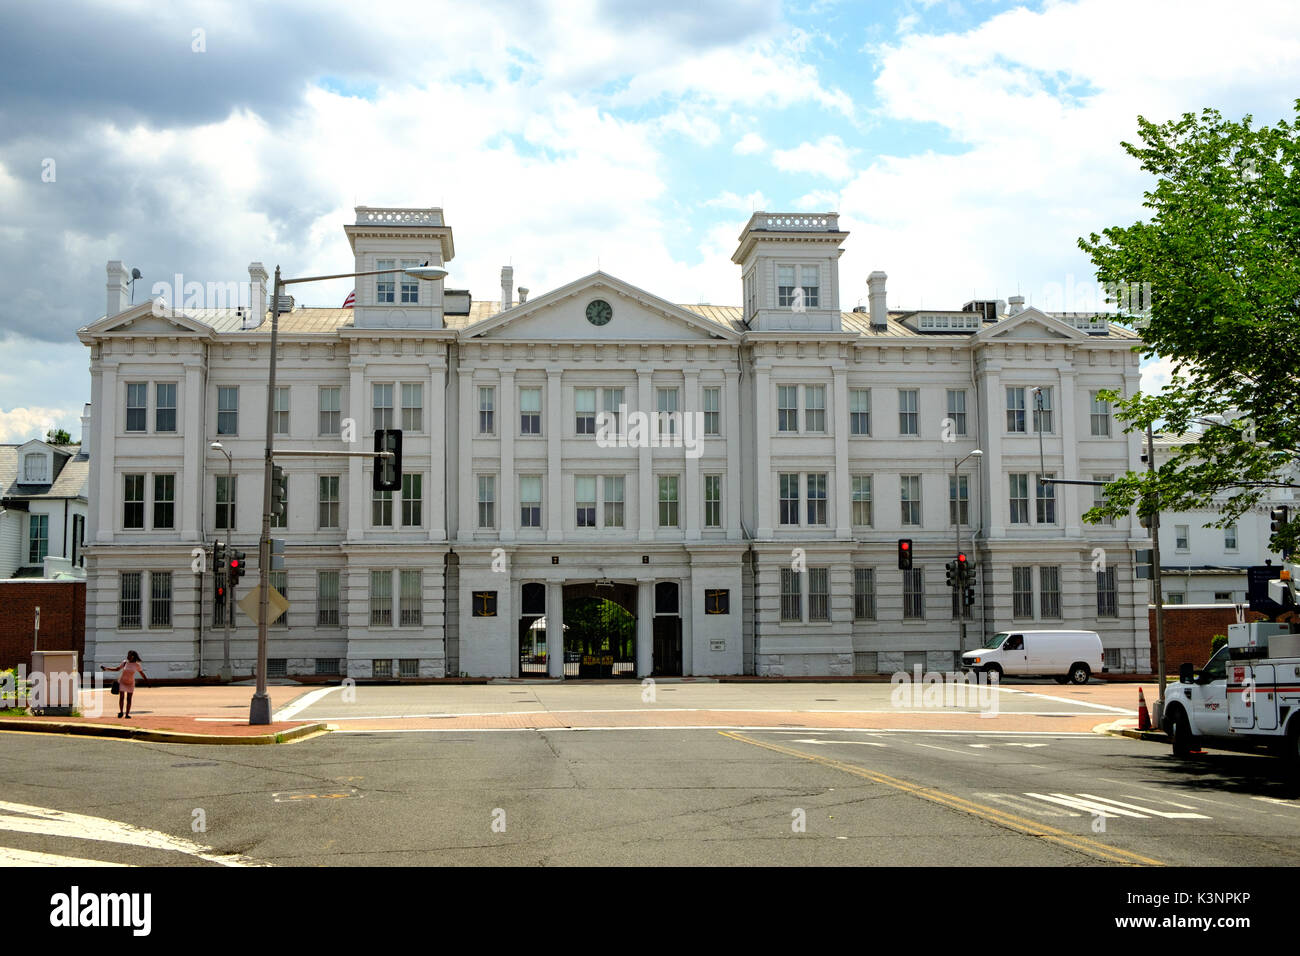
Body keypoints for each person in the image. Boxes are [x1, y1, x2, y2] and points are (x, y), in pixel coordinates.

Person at [102, 651, 147, 718]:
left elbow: (142, 674)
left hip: (130, 683)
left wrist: (147, 681)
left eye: (129, 655)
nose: (128, 657)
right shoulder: (125, 662)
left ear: (133, 657)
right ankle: (121, 712)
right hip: (122, 681)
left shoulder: (137, 665)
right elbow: (117, 669)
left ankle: (127, 714)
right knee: (121, 697)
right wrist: (106, 668)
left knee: (129, 699)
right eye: (128, 655)